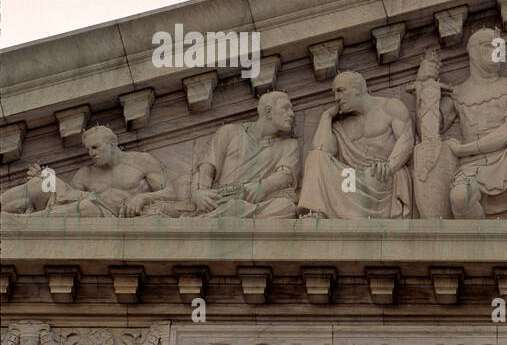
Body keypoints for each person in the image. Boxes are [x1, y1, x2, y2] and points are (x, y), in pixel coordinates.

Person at [443, 27, 507, 219]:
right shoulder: (457, 94)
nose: (497, 51)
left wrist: (464, 149)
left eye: (500, 46)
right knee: (460, 198)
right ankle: (481, 241)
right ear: (472, 51)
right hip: (472, 165)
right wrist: (426, 90)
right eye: (489, 46)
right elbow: (431, 127)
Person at [298, 71, 413, 219]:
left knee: (372, 176)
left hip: (380, 178)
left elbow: (406, 140)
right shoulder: (341, 123)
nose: (336, 98)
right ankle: (315, 213)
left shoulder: (390, 107)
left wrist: (390, 166)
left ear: (358, 88)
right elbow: (321, 150)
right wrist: (326, 116)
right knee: (315, 156)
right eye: (334, 93)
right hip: (351, 180)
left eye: (340, 91)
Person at [0, 125, 167, 217]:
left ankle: (26, 221)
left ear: (112, 144)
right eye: (88, 149)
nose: (91, 153)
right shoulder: (86, 173)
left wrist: (142, 198)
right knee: (44, 183)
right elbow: (66, 197)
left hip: (114, 215)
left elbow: (170, 191)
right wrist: (45, 179)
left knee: (88, 206)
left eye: (95, 147)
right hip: (86, 206)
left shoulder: (141, 161)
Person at [192, 91, 300, 218]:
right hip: (222, 200)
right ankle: (225, 213)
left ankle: (229, 214)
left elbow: (285, 176)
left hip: (255, 204)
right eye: (285, 108)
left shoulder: (289, 145)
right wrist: (198, 193)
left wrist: (262, 187)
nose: (291, 114)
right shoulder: (229, 132)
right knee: (232, 206)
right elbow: (206, 168)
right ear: (268, 112)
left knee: (286, 207)